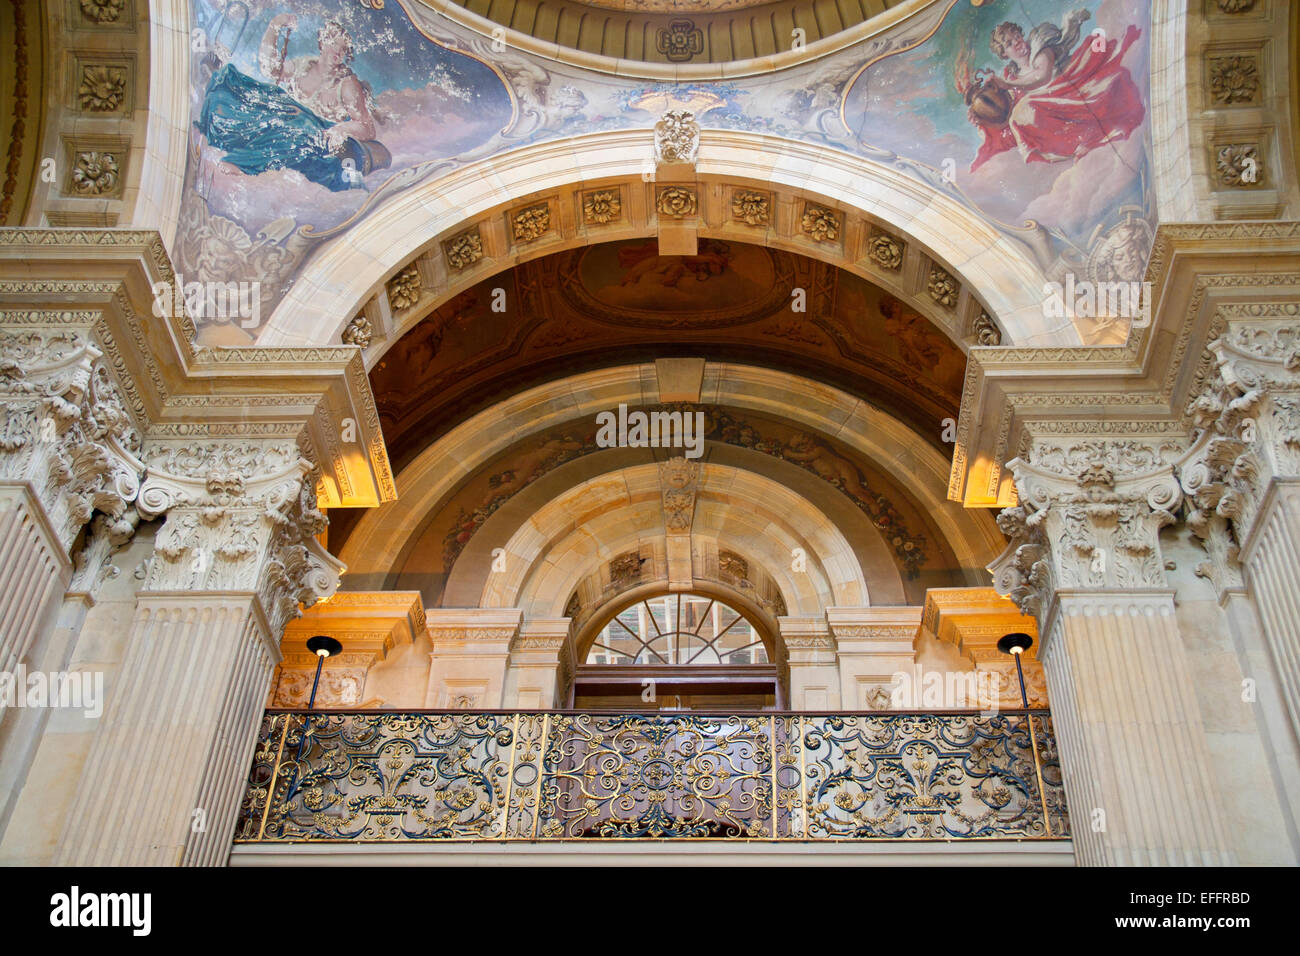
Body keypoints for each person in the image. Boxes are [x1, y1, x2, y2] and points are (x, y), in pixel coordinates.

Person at [196, 16, 388, 192]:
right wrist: (274, 26)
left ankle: (243, 164)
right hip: (283, 122)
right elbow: (270, 69)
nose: (337, 52)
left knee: (297, 128)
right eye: (332, 44)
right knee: (249, 92)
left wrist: (341, 129)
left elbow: (367, 127)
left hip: (316, 136)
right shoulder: (304, 66)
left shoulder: (347, 84)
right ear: (321, 43)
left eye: (342, 48)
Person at [967, 9, 1144, 172]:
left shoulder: (1041, 50)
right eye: (1010, 43)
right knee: (1018, 118)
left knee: (1027, 106)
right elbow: (1010, 124)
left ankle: (1089, 137)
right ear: (1004, 53)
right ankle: (1074, 144)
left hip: (1074, 92)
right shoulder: (1012, 77)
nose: (1018, 42)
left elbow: (1042, 77)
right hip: (1058, 115)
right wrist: (983, 120)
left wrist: (1007, 84)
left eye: (1017, 36)